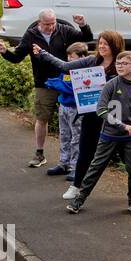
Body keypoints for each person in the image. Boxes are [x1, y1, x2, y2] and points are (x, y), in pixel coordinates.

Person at [31, 30, 131, 203]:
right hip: (92, 115)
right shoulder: (92, 60)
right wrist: (43, 54)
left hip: (116, 119)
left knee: (130, 156)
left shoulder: (123, 64)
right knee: (85, 152)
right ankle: (76, 186)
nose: (102, 46)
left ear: (115, 45)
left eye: (106, 43)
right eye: (100, 43)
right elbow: (65, 66)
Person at [0, 8, 93, 168]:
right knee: (42, 118)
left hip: (67, 82)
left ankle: (74, 160)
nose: (51, 27)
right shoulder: (31, 35)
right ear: (40, 22)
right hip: (44, 83)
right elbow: (16, 58)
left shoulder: (63, 30)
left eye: (53, 23)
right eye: (47, 24)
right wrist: (5, 52)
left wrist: (83, 25)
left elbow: (86, 39)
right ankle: (40, 153)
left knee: (73, 121)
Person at [66, 52, 131, 216]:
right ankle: (79, 200)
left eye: (124, 63)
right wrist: (122, 125)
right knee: (96, 167)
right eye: (118, 63)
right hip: (109, 135)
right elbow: (101, 110)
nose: (120, 66)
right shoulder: (111, 85)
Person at [42, 42, 88, 178]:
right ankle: (64, 163)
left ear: (83, 57)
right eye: (68, 57)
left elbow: (72, 88)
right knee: (64, 135)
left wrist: (57, 84)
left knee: (76, 138)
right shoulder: (66, 70)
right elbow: (64, 83)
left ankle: (75, 166)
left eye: (72, 57)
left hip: (76, 109)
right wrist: (57, 83)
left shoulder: (84, 72)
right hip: (64, 106)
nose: (69, 60)